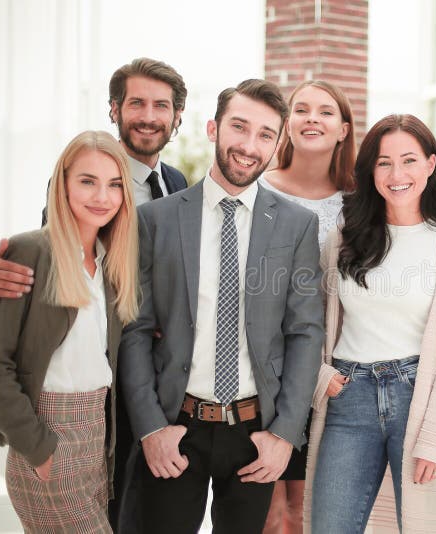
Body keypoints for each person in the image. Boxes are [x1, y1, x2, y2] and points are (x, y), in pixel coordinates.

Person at [118, 79, 324, 533]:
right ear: (214, 128)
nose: (250, 146)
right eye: (239, 127)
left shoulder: (297, 225)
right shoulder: (157, 219)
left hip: (256, 431)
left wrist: (284, 434)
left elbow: (306, 333)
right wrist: (151, 427)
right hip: (177, 425)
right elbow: (135, 329)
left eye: (266, 134)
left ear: (278, 143)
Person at [0, 57, 188, 532]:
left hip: (118, 407)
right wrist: (37, 446)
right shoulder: (52, 230)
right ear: (114, 109)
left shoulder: (175, 185)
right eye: (136, 102)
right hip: (60, 414)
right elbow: (38, 301)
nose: (148, 114)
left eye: (160, 105)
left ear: (177, 117)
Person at [303, 113, 436, 533]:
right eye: (384, 162)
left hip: (416, 398)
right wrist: (321, 375)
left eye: (408, 160)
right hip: (348, 398)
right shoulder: (343, 239)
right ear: (371, 171)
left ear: (430, 165)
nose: (396, 173)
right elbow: (311, 321)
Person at [0, 130, 139, 532]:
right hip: (47, 433)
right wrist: (38, 449)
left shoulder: (112, 265)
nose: (102, 197)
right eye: (87, 181)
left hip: (96, 437)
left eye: (114, 185)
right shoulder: (30, 251)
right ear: (63, 184)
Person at [260, 79, 356, 534]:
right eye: (301, 110)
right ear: (287, 124)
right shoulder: (258, 191)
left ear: (343, 129)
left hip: (335, 374)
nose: (312, 118)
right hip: (265, 371)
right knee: (268, 511)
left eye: (325, 111)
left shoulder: (360, 204)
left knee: (307, 512)